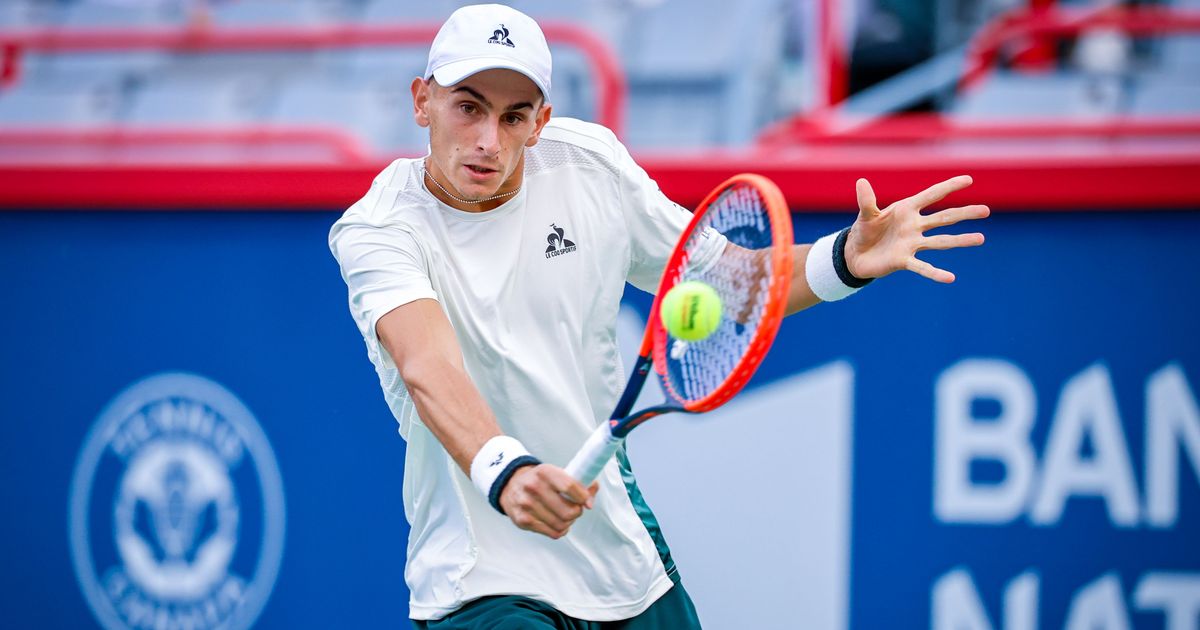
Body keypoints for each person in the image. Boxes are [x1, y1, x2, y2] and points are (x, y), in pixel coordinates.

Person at [329, 4, 989, 628]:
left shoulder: (592, 168)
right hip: (479, 576)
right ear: (423, 101)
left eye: (513, 117)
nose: (487, 140)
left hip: (621, 565)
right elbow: (427, 365)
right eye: (467, 108)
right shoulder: (380, 228)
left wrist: (845, 257)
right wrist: (506, 471)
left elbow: (734, 284)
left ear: (541, 121)